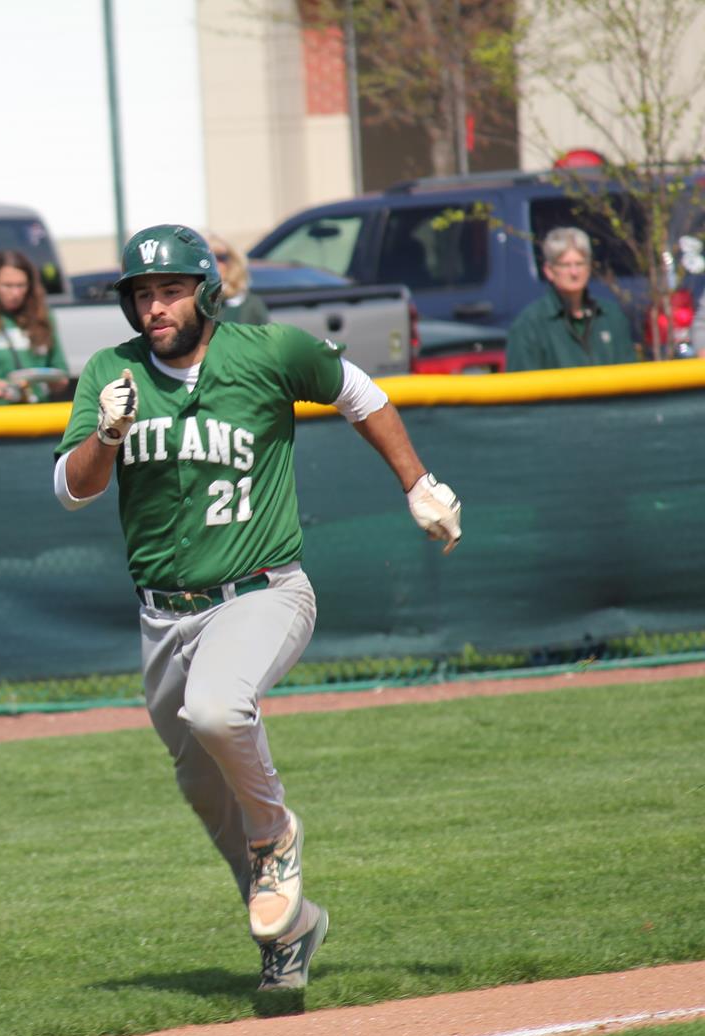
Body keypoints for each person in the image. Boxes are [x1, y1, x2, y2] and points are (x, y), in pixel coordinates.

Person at [54, 224, 461, 994]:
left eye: (169, 289)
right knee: (204, 790)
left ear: (206, 289)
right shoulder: (112, 372)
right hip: (162, 618)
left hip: (263, 589)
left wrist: (417, 483)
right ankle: (290, 928)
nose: (154, 306)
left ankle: (277, 835)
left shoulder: (267, 351)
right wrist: (107, 434)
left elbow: (360, 394)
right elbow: (73, 489)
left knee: (216, 710)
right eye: (142, 294)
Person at [505, 226, 636, 371]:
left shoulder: (611, 316)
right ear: (549, 271)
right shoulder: (529, 325)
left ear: (589, 267)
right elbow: (522, 386)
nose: (574, 272)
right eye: (566, 265)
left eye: (580, 263)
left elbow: (630, 376)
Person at [0, 250, 69, 403]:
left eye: (21, 285)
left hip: (40, 412)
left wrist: (59, 381)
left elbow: (59, 365)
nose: (15, 293)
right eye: (7, 286)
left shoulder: (42, 316)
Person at [206, 233, 270, 325]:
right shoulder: (194, 302)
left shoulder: (251, 304)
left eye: (220, 257)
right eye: (209, 258)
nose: (215, 263)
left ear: (233, 261)